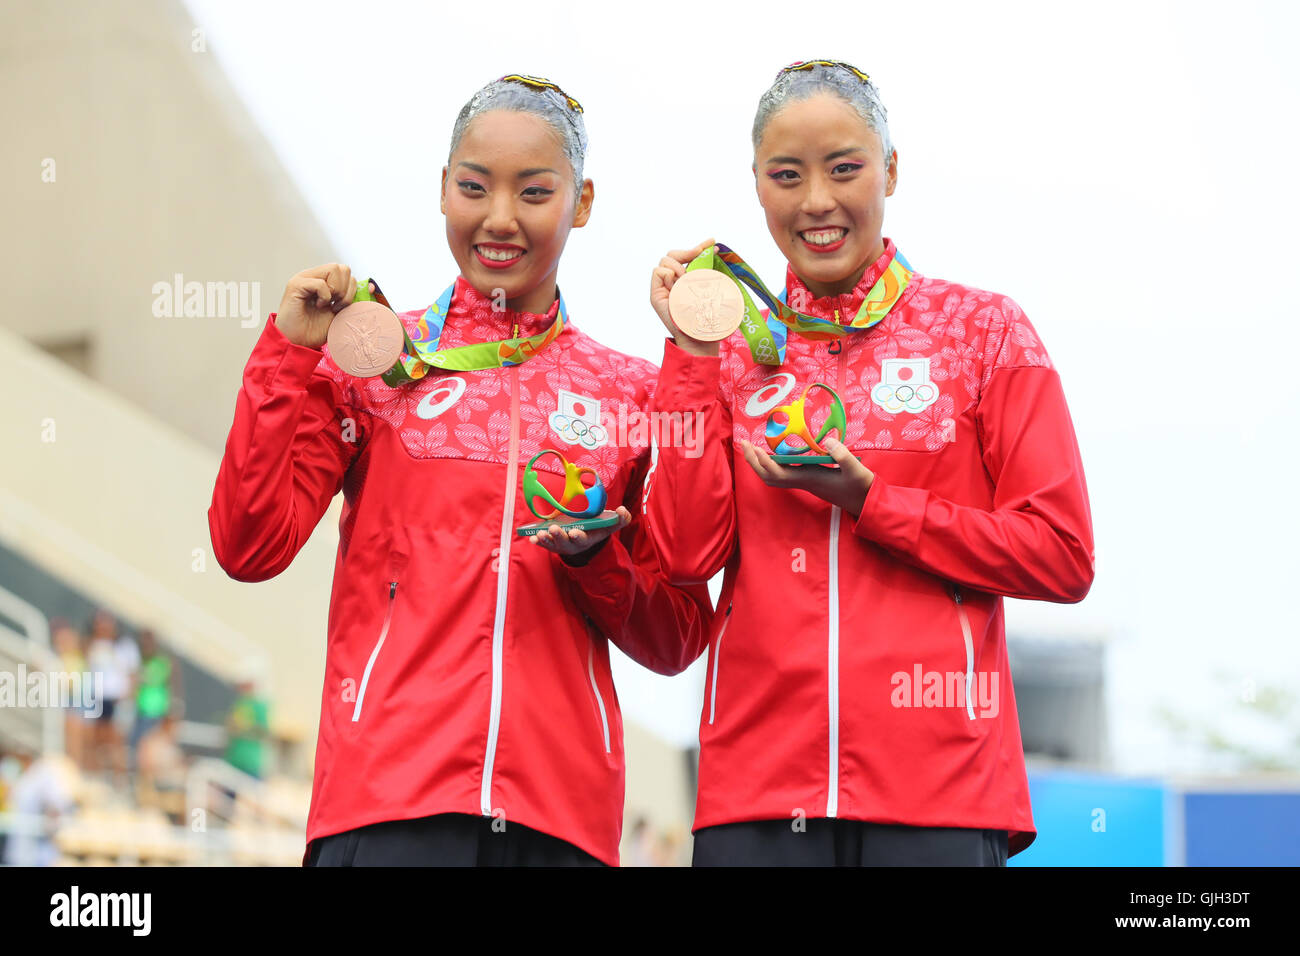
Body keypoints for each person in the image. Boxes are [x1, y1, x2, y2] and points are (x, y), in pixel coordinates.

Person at [208, 74, 710, 867]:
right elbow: (248, 544)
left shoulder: (628, 397)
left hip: (559, 823)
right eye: (475, 187)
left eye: (535, 192)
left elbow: (679, 636)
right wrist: (286, 355)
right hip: (383, 805)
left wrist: (596, 562)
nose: (500, 218)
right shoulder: (373, 363)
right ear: (443, 191)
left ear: (580, 204)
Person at [645, 60, 1095, 866]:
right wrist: (687, 353)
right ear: (757, 185)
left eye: (845, 168)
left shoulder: (983, 332)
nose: (816, 201)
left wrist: (872, 502)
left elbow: (1062, 555)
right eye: (787, 175)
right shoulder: (733, 356)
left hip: (939, 794)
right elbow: (682, 554)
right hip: (754, 795)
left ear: (891, 168)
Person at [84, 609, 139, 787]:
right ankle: (95, 778)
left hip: (118, 700)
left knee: (117, 741)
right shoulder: (92, 645)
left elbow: (133, 676)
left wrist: (127, 698)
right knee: (96, 739)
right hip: (97, 697)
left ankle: (119, 780)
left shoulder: (125, 646)